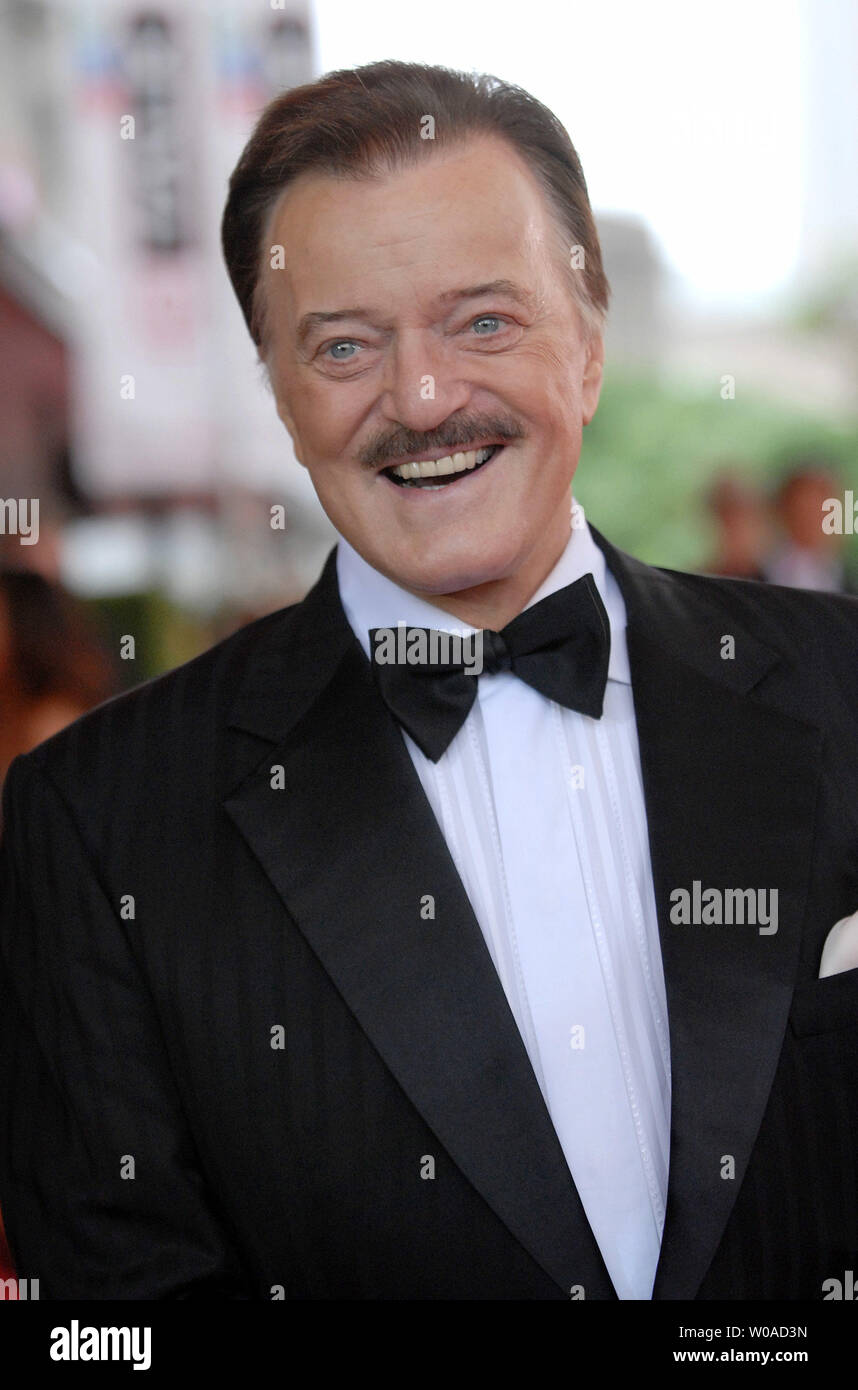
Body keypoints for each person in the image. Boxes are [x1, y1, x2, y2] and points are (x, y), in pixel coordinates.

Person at [0, 60, 856, 1302]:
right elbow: (112, 1315)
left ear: (591, 347)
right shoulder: (95, 821)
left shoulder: (840, 688)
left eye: (484, 322)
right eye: (345, 344)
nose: (421, 396)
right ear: (281, 396)